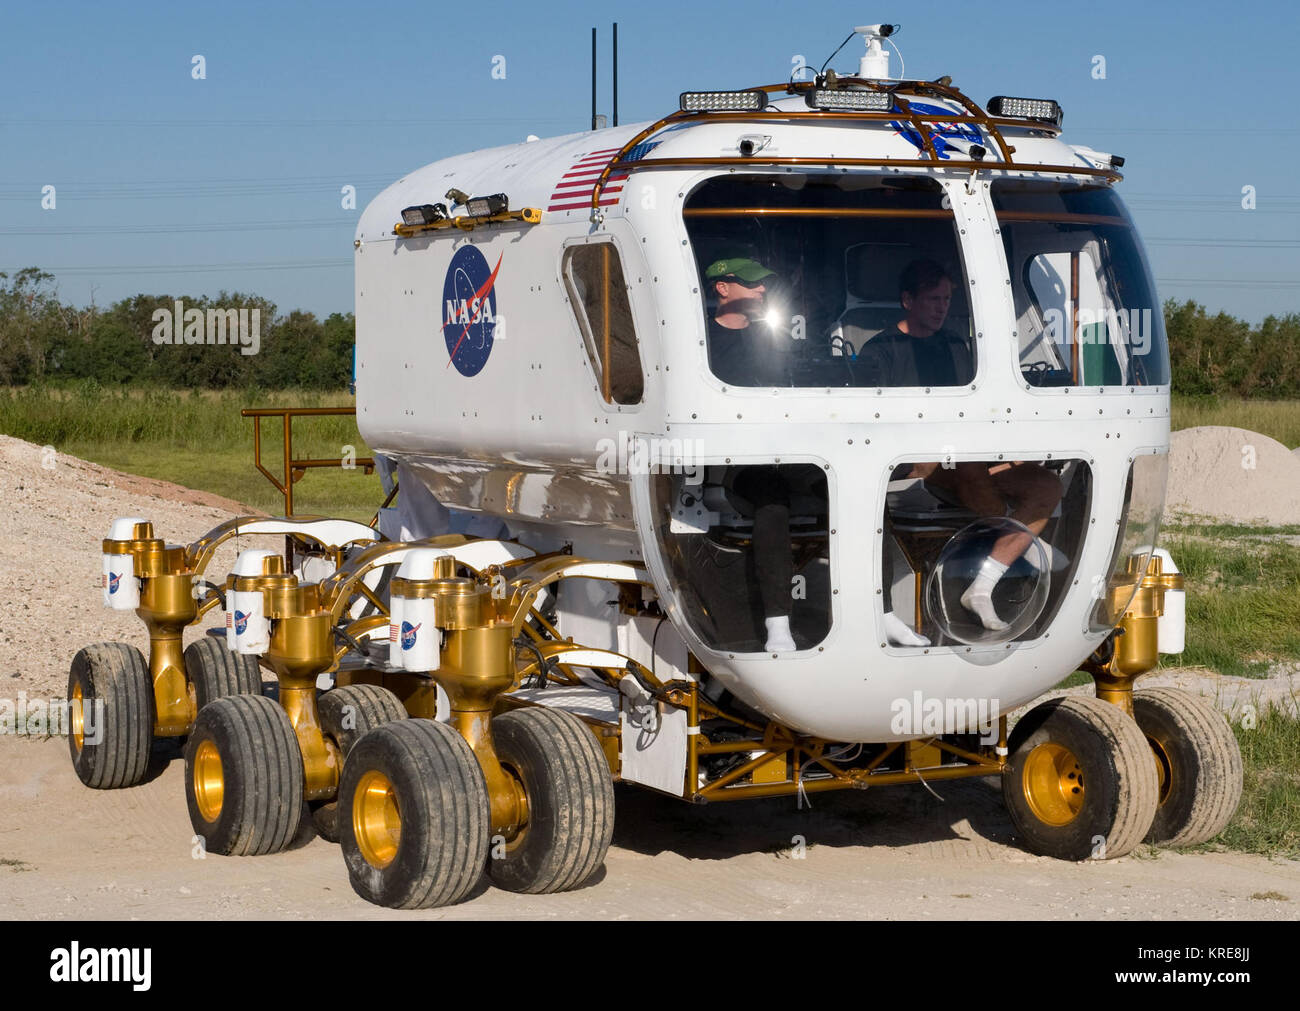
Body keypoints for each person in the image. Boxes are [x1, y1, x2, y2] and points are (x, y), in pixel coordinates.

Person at [868, 259, 1064, 632]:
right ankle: (1019, 538)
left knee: (1047, 484)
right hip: (918, 461)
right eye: (932, 299)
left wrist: (1009, 453)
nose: (942, 307)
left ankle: (985, 581)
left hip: (969, 451)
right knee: (972, 467)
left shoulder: (957, 346)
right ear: (907, 300)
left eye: (946, 299)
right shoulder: (881, 352)